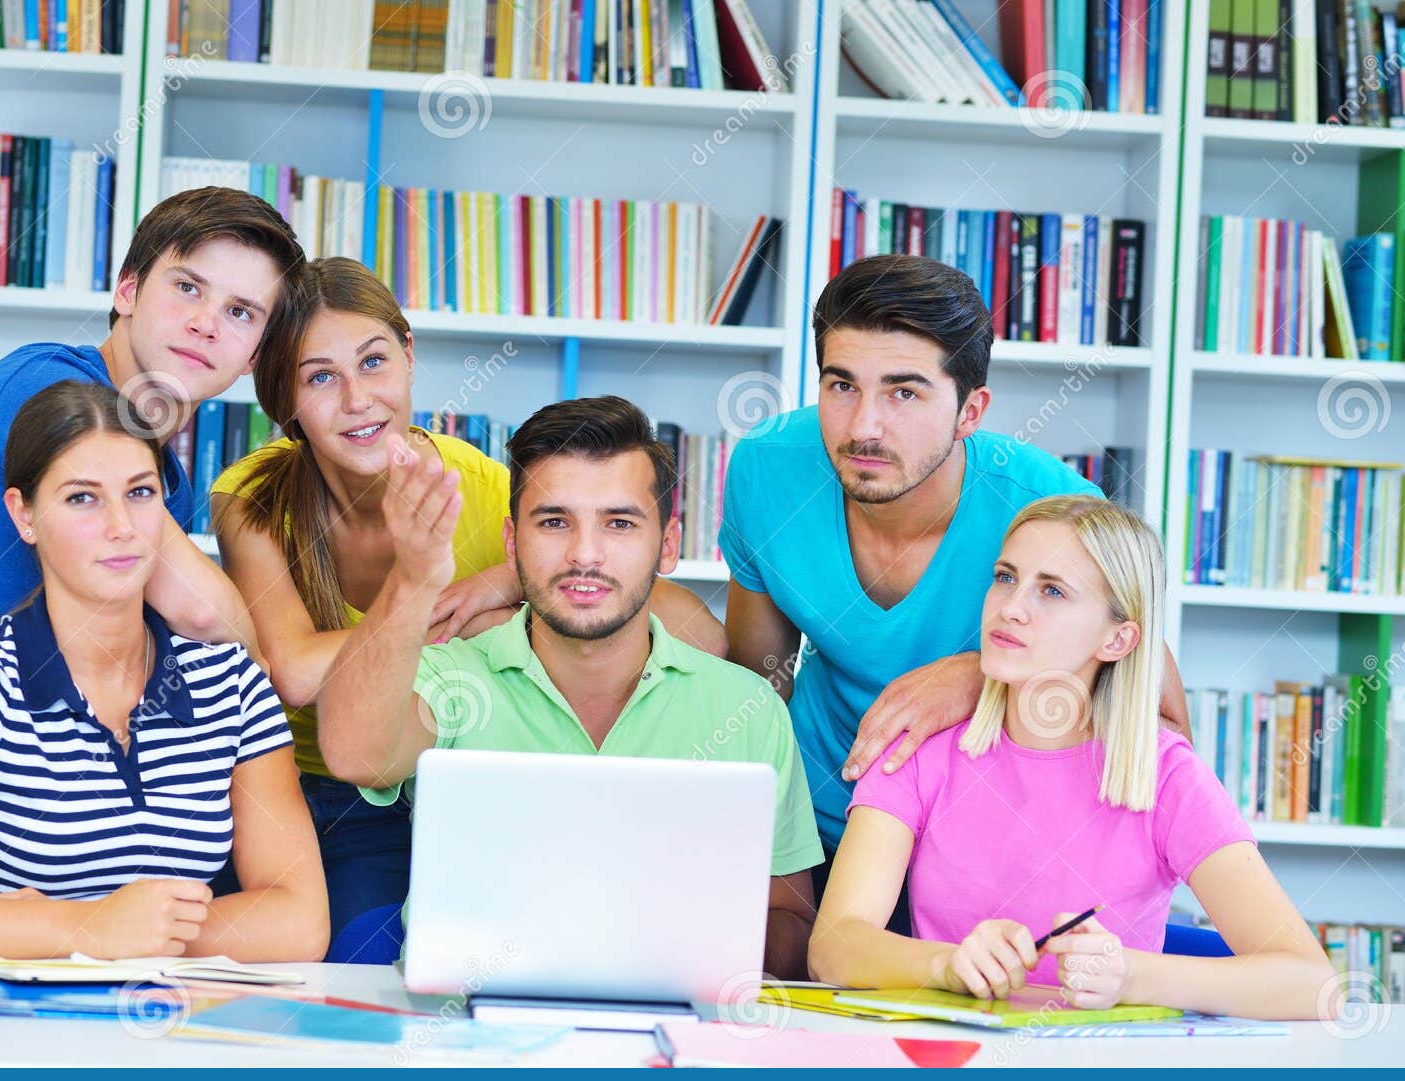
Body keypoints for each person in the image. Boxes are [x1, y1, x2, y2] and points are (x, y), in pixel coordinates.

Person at [209, 258, 726, 958]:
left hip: (416, 790)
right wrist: (447, 607)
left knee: (377, 957)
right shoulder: (252, 497)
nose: (358, 399)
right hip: (278, 789)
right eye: (320, 377)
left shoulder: (482, 490)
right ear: (284, 400)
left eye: (374, 362)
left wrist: (508, 579)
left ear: (410, 358)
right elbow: (295, 673)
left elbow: (703, 637)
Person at [0, 383, 327, 967]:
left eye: (140, 493)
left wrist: (139, 937)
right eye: (83, 498)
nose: (121, 526)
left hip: (164, 1034)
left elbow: (299, 918)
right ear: (24, 514)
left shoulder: (232, 686)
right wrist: (86, 928)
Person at [313, 396, 824, 978]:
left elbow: (789, 916)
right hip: (463, 1037)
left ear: (670, 544)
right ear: (511, 542)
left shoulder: (747, 708)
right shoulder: (453, 677)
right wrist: (413, 578)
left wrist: (679, 951)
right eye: (554, 521)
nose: (584, 553)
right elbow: (355, 752)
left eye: (620, 522)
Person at [720, 254, 1191, 877]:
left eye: (904, 393)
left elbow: (1159, 721)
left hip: (988, 843)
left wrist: (981, 677)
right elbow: (758, 691)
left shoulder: (1053, 511)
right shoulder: (766, 468)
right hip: (818, 820)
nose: (864, 426)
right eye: (841, 386)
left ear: (970, 411)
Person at [808, 496, 1336, 1020]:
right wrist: (946, 964)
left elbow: (1312, 984)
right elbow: (832, 948)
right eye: (1006, 577)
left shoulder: (1167, 777)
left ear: (1118, 639)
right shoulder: (921, 752)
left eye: (1053, 591)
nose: (1010, 607)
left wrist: (1132, 975)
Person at [0, 185, 309, 708]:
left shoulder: (168, 486)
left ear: (255, 356)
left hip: (49, 752)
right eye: (188, 287)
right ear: (127, 290)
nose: (205, 324)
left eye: (241, 313)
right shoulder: (48, 388)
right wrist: (260, 670)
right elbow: (201, 613)